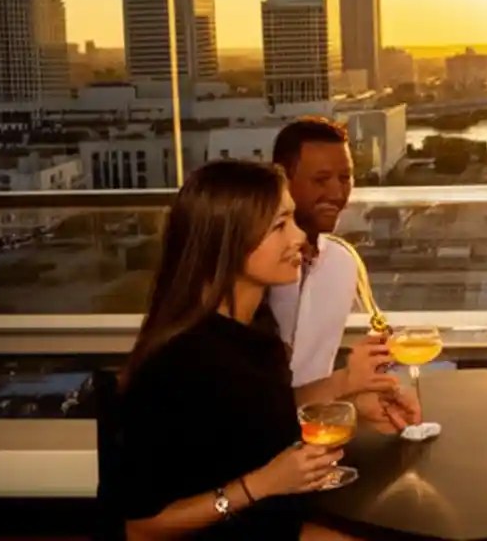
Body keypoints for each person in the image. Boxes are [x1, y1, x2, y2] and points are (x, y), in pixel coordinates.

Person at [118, 160, 361, 539]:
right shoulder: (175, 366)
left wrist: (351, 389)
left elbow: (256, 418)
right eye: (280, 225)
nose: (299, 235)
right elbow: (140, 527)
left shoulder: (255, 329)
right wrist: (261, 484)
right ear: (227, 240)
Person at [266, 117, 419, 429]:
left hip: (317, 439)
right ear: (282, 181)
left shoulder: (342, 263)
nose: (337, 193)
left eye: (345, 178)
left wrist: (355, 406)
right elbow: (250, 411)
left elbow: (313, 386)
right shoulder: (254, 274)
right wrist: (346, 383)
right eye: (321, 180)